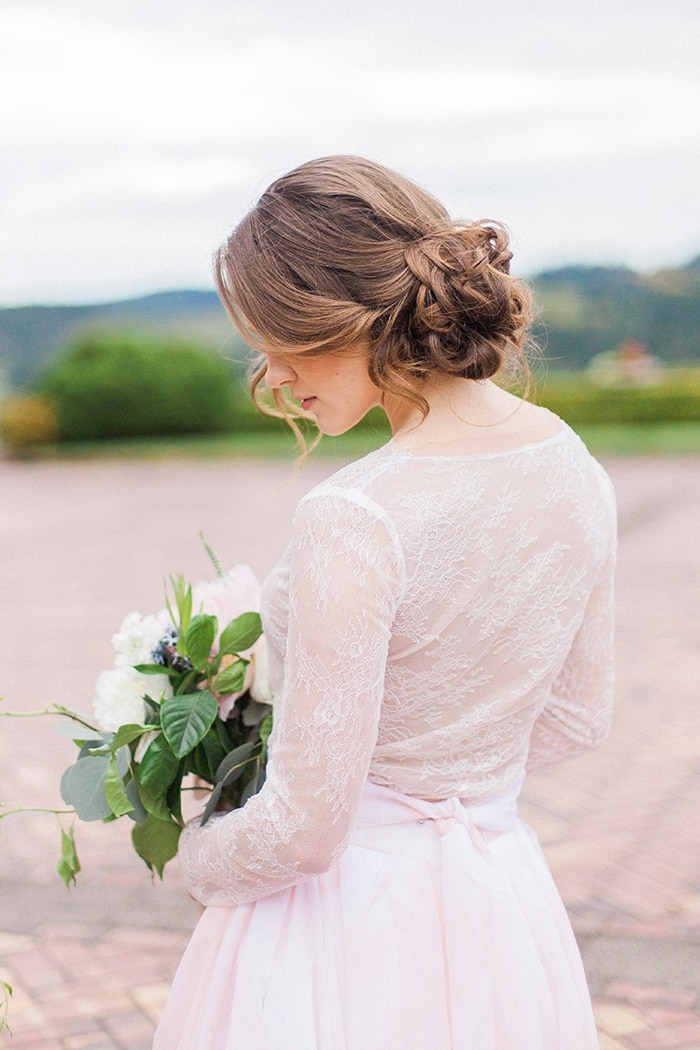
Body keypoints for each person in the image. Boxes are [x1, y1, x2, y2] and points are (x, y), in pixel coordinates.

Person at [154, 155, 616, 1049]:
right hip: (499, 904)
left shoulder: (357, 515)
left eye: (277, 338)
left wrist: (191, 854)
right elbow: (577, 722)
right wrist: (455, 783)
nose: (274, 376)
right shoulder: (577, 470)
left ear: (341, 319)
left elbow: (303, 832)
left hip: (342, 925)